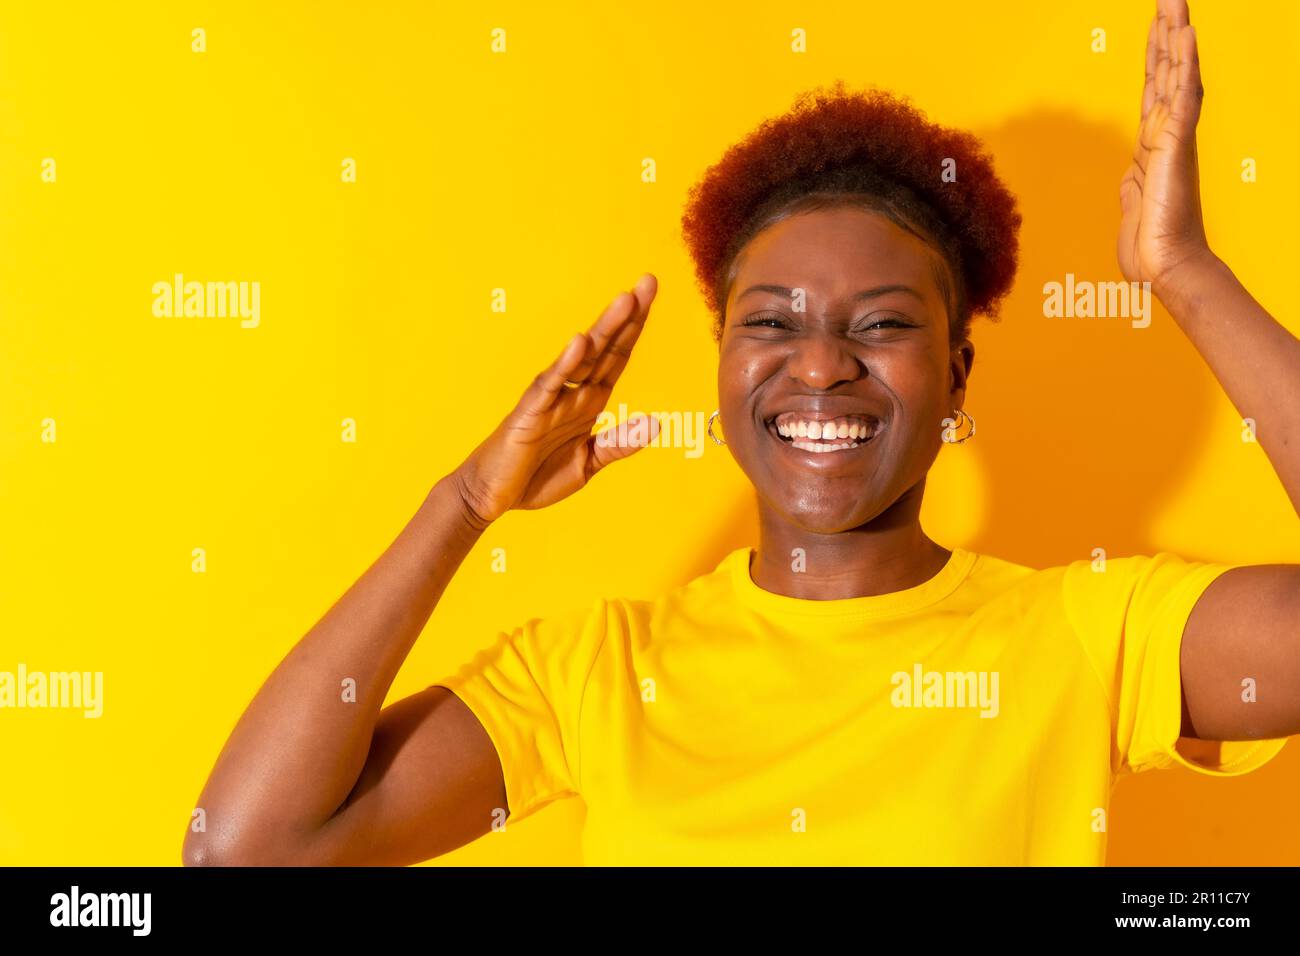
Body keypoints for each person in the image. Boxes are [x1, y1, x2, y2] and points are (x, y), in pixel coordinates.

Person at [183, 0, 1297, 866]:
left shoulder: (1085, 632)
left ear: (956, 379)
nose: (820, 363)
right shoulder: (598, 670)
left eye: (882, 325)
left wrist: (1185, 274)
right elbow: (244, 846)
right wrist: (462, 506)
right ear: (722, 364)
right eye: (771, 322)